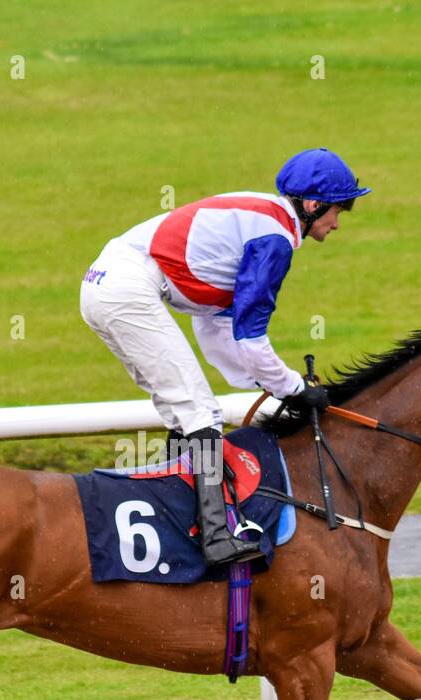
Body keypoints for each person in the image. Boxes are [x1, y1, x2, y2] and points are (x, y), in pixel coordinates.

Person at [80, 148, 370, 567]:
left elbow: (215, 330)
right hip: (126, 289)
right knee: (200, 411)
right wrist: (294, 388)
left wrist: (270, 385)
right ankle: (216, 537)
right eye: (339, 209)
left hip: (103, 286)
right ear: (312, 204)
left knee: (181, 408)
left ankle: (178, 518)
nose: (338, 222)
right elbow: (251, 338)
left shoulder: (263, 219)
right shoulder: (275, 239)